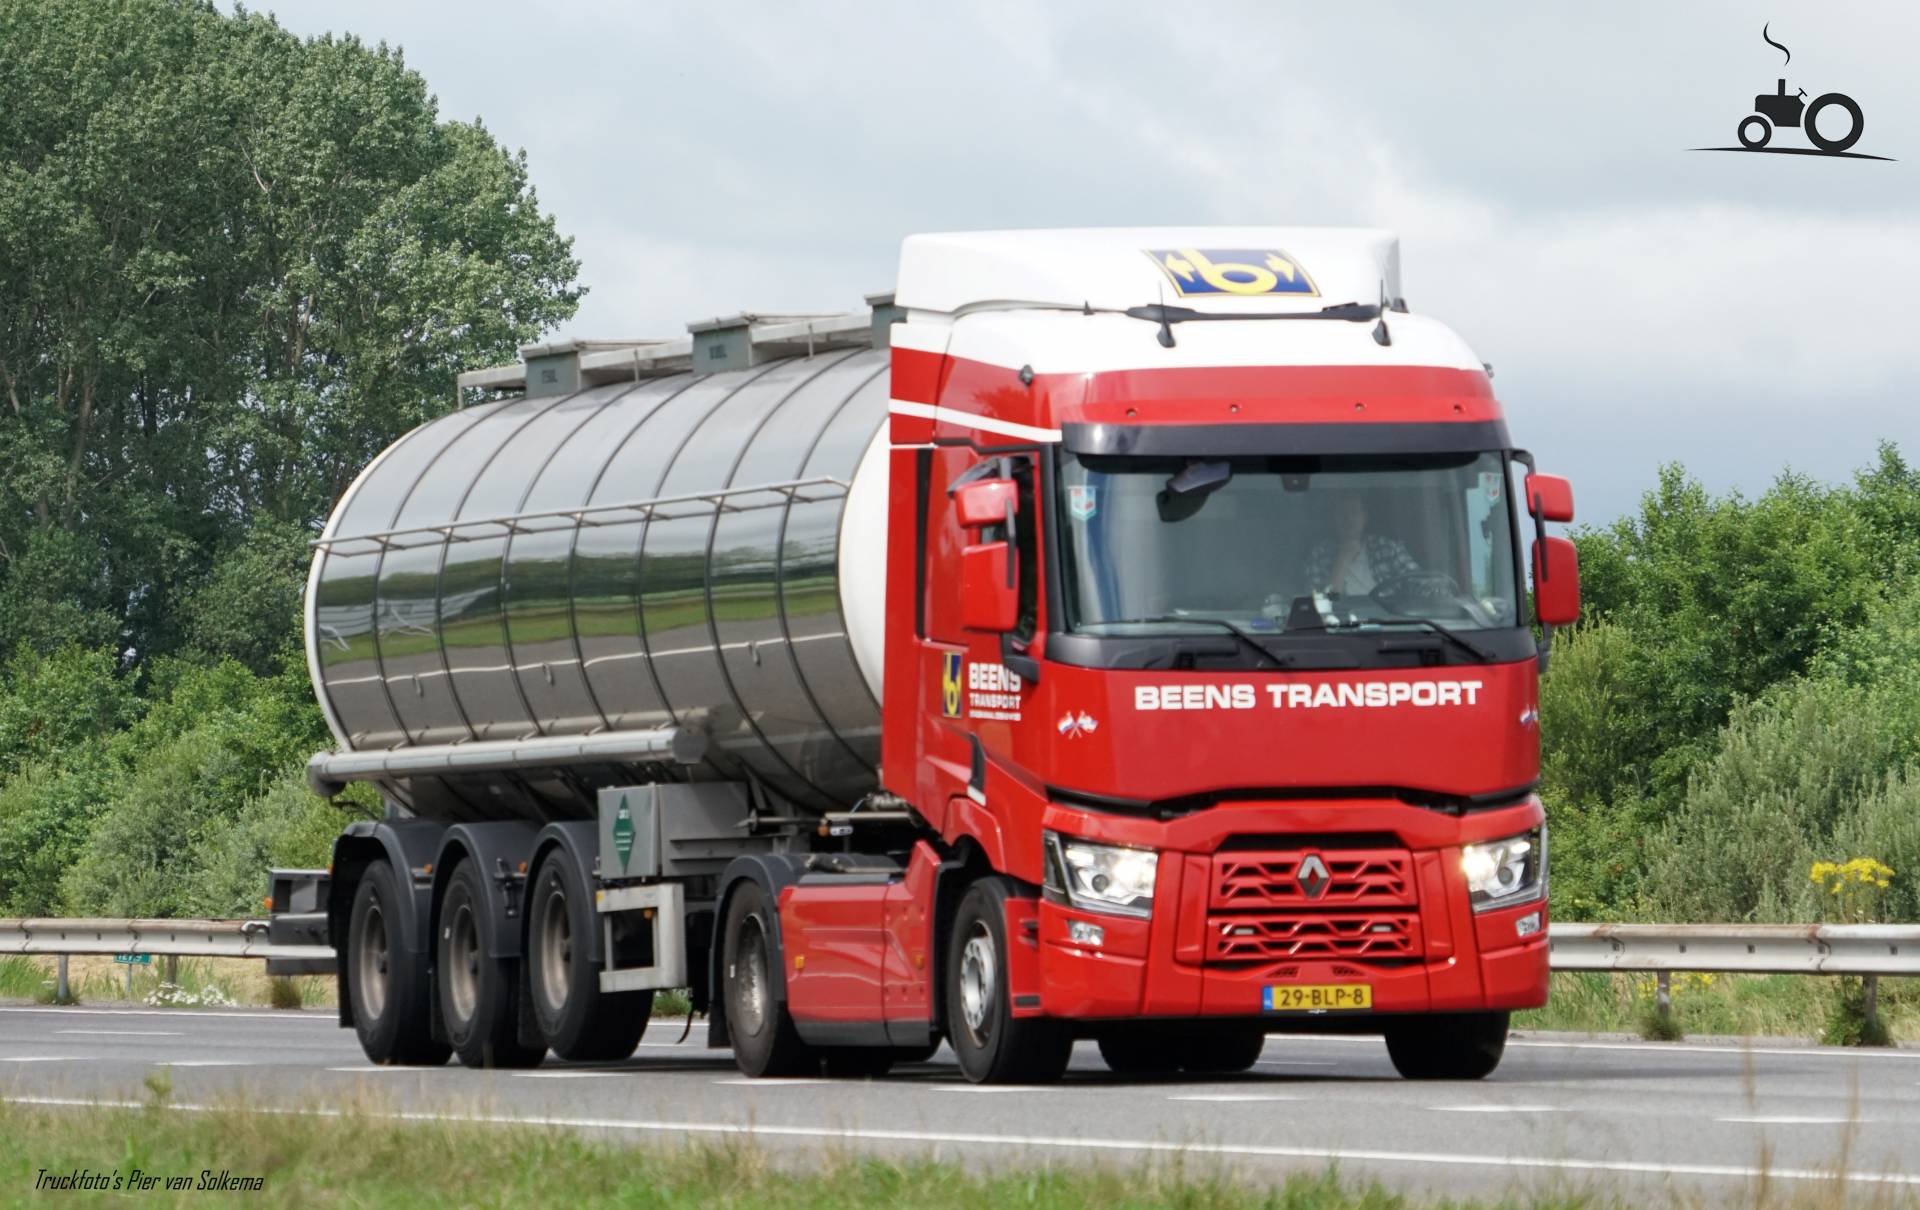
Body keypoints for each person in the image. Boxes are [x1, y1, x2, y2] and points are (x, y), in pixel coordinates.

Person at [1304, 492, 1419, 597]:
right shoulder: (1320, 553)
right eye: (1342, 513)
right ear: (1333, 519)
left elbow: (1418, 583)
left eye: (1354, 512)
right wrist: (1342, 560)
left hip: (1388, 618)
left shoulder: (1386, 548)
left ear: (1365, 518)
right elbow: (1321, 605)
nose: (1348, 519)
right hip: (1342, 619)